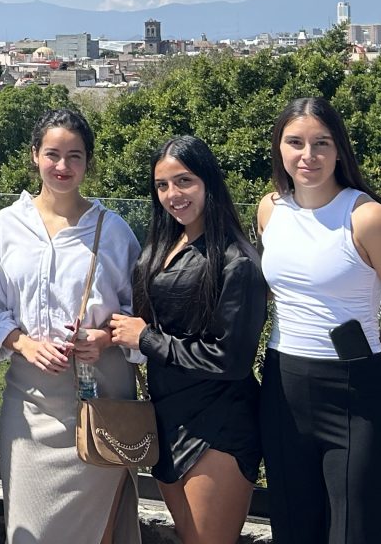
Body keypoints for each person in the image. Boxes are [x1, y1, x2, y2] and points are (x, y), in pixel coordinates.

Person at [256, 97, 381, 544]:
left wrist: (359, 351)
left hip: (353, 392)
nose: (308, 155)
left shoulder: (367, 217)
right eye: (295, 142)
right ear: (279, 148)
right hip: (282, 386)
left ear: (339, 151)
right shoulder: (270, 210)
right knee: (294, 530)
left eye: (322, 143)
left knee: (360, 532)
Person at [0, 106, 142, 544]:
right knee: (30, 532)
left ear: (88, 161)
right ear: (34, 155)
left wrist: (105, 338)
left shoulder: (115, 231)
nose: (63, 166)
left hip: (100, 402)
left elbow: (140, 313)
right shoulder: (7, 225)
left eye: (75, 156)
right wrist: (23, 344)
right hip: (30, 405)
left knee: (97, 529)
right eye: (53, 154)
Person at [108, 135, 267, 544]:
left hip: (219, 423)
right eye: (162, 185)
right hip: (166, 417)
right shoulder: (163, 246)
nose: (172, 195)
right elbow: (143, 322)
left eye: (184, 181)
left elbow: (228, 360)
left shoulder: (238, 261)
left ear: (208, 182)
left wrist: (146, 340)